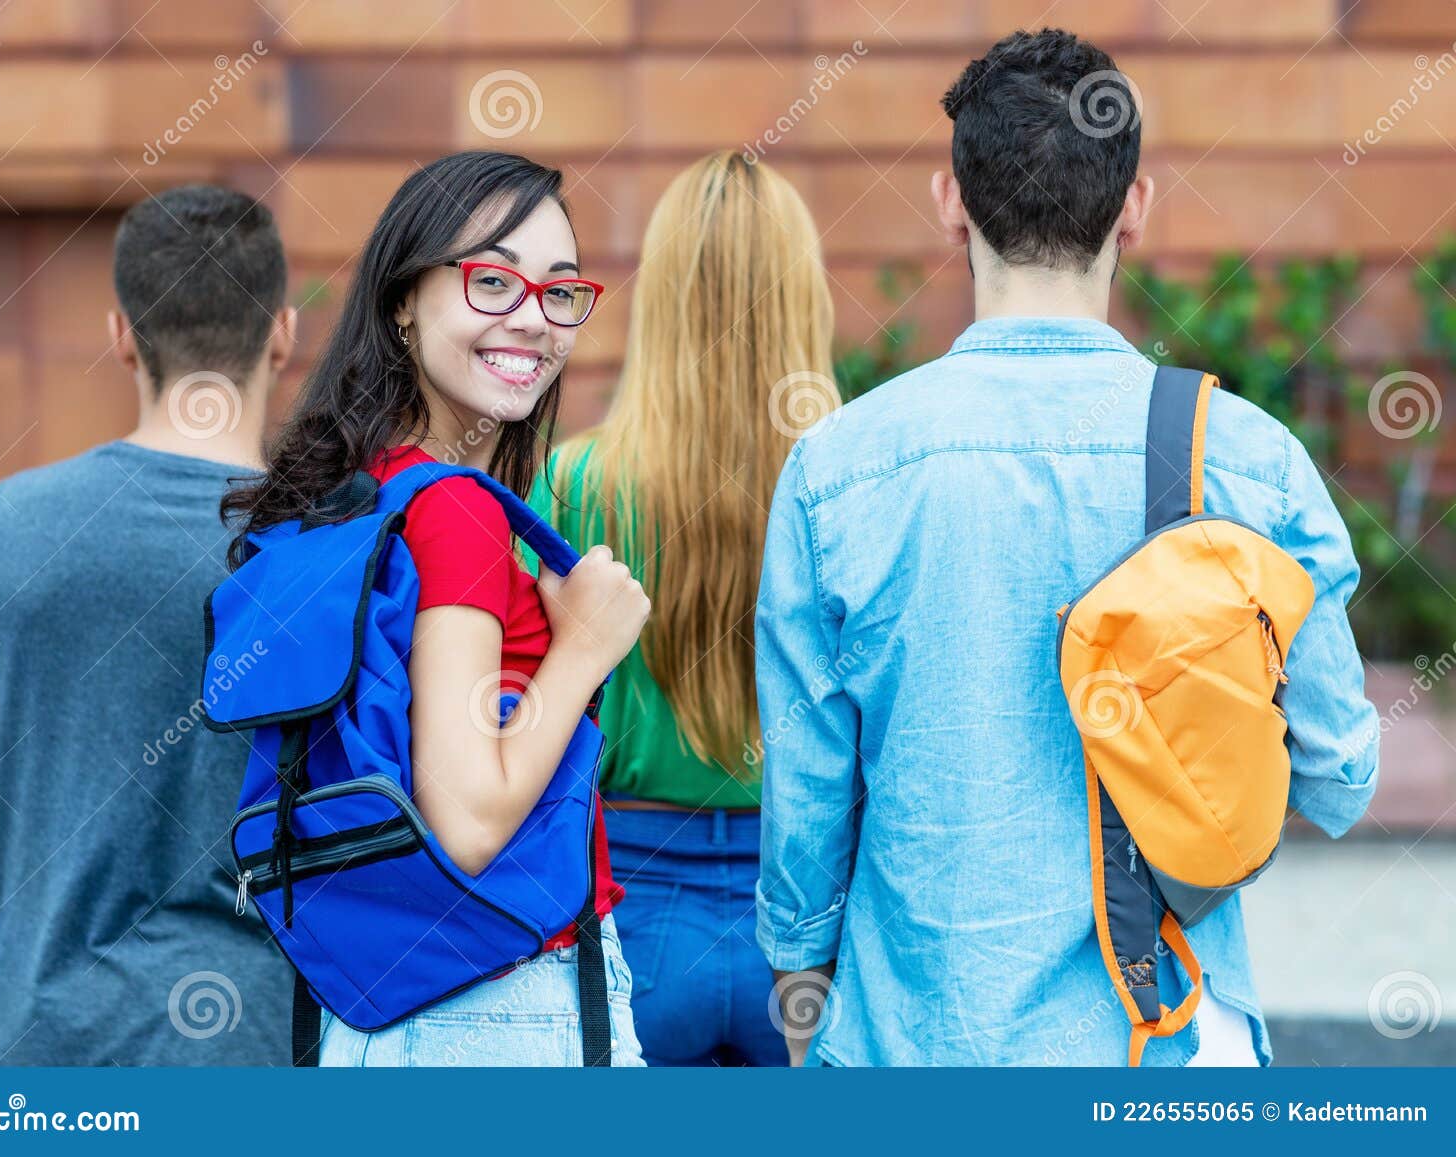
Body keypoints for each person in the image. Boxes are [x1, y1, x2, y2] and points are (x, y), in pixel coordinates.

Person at [753, 28, 1380, 1067]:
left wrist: (799, 964)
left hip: (909, 1040)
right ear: (1133, 205)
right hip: (1164, 1037)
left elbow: (807, 808)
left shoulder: (837, 469)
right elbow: (1339, 777)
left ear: (950, 202)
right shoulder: (1247, 460)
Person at [222, 150, 649, 1067]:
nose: (532, 320)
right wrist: (586, 644)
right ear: (403, 299)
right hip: (502, 1005)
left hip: (390, 1005)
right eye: (492, 282)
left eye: (560, 292)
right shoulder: (455, 509)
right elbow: (468, 816)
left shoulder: (367, 488)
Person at [0, 185, 299, 1065]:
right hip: (261, 1052)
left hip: (46, 1047)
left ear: (122, 332)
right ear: (282, 330)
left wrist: (19, 970)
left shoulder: (14, 524)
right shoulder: (331, 546)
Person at [528, 150, 837, 1066]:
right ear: (803, 297)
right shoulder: (857, 482)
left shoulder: (570, 485)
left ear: (660, 300)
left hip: (634, 915)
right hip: (811, 924)